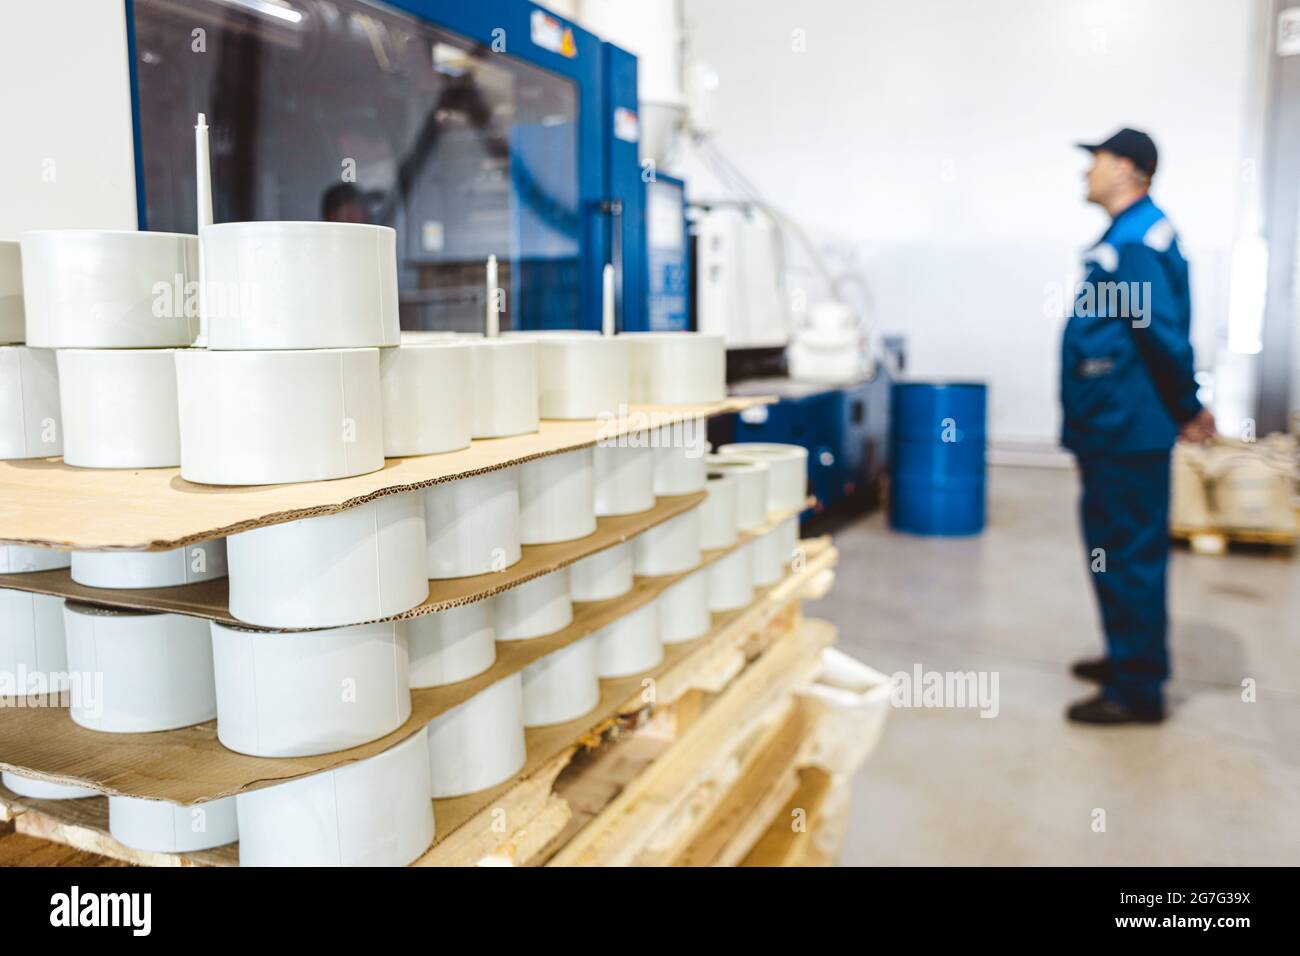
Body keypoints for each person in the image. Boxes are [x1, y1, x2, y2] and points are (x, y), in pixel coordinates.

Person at [1060, 128, 1216, 726]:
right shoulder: (1128, 234)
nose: (1085, 174)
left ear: (1127, 169)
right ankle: (1127, 657)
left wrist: (1187, 406)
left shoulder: (1138, 239)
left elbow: (1161, 334)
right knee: (1111, 547)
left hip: (1128, 426)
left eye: (1094, 162)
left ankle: (1137, 689)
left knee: (1127, 551)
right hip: (1110, 423)